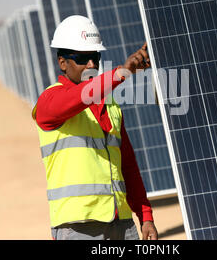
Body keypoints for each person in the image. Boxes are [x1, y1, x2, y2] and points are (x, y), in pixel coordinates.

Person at [31, 15, 158, 240]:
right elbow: (79, 97)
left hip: (122, 224)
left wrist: (145, 215)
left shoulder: (111, 106)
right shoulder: (49, 102)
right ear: (63, 62)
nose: (91, 65)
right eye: (82, 58)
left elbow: (128, 165)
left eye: (95, 57)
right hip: (78, 229)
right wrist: (122, 72)